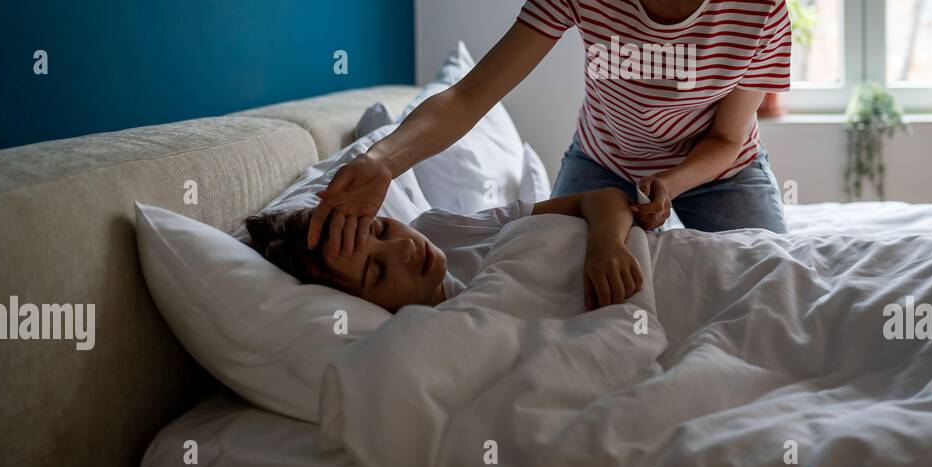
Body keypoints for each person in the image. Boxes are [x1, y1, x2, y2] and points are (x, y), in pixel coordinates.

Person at [309, 0, 792, 262]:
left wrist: (671, 184)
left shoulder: (760, 7)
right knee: (545, 276)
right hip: (605, 160)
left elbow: (728, 139)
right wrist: (381, 162)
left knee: (767, 278)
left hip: (719, 170)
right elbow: (467, 96)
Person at [249, 188, 643, 313]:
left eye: (382, 229)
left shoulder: (437, 229)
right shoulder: (430, 336)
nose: (404, 247)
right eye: (379, 271)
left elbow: (602, 198)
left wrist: (605, 243)